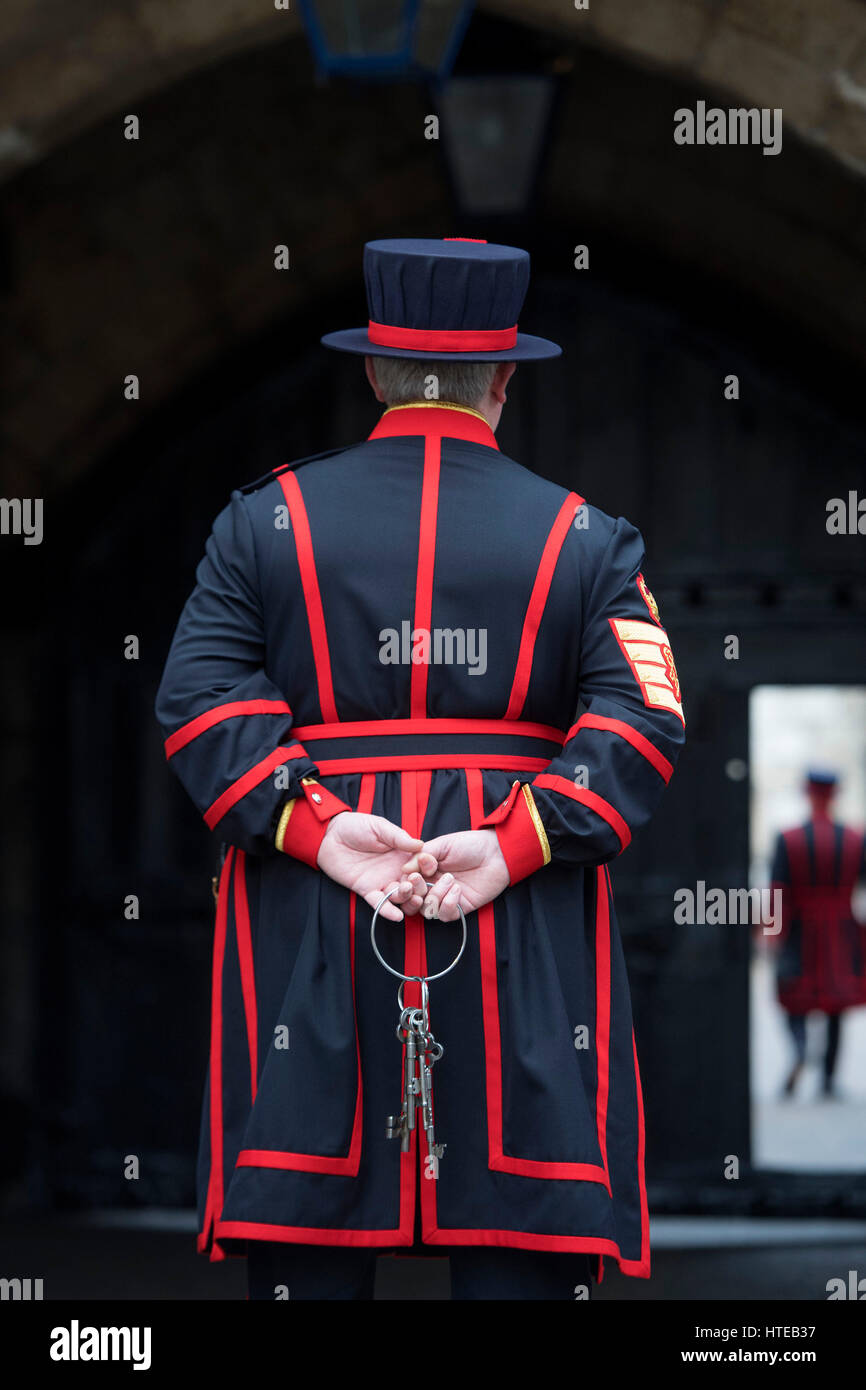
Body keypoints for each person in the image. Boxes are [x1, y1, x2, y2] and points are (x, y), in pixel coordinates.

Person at [155, 237, 685, 1299]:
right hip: (513, 914)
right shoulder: (586, 538)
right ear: (502, 379)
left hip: (314, 911)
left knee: (301, 1233)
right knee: (523, 1238)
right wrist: (513, 840)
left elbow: (197, 699)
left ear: (370, 371)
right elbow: (645, 716)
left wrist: (315, 826)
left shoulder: (261, 521)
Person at [770, 769, 866, 1099]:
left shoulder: (789, 838)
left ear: (807, 793)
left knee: (793, 999)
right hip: (841, 930)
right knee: (835, 1006)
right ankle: (827, 1079)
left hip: (800, 931)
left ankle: (799, 1051)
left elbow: (778, 890)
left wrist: (773, 935)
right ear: (834, 794)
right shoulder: (855, 839)